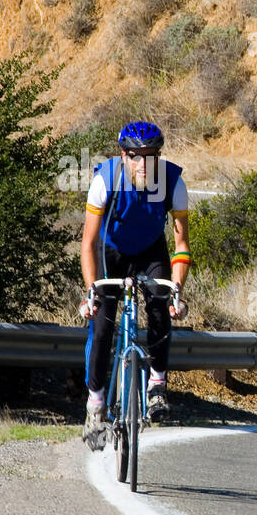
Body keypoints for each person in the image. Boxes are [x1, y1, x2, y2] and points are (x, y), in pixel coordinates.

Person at [79, 122, 191, 448]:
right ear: (122, 155)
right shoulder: (105, 179)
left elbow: (182, 244)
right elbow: (87, 244)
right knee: (100, 327)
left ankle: (157, 384)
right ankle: (96, 402)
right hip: (109, 251)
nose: (143, 164)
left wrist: (177, 289)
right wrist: (90, 291)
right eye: (135, 156)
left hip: (150, 250)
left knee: (160, 303)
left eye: (151, 156)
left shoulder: (173, 182)